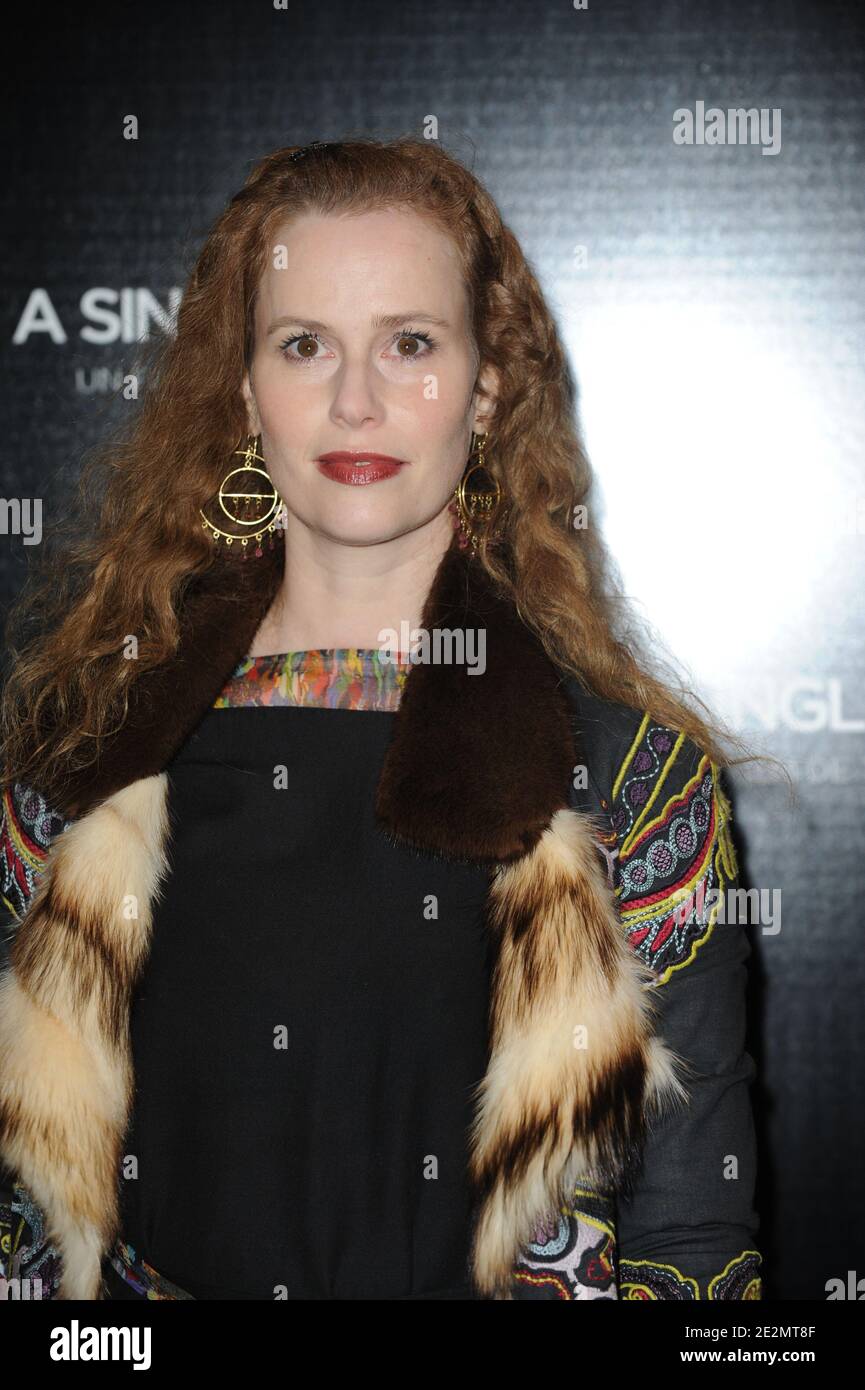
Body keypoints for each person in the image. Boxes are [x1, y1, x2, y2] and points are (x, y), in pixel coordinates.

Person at [0, 137, 780, 1301]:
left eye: (409, 344)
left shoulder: (634, 779)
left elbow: (699, 1243)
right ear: (245, 389)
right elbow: (22, 1228)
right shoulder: (75, 762)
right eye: (304, 344)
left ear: (487, 384)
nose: (354, 399)